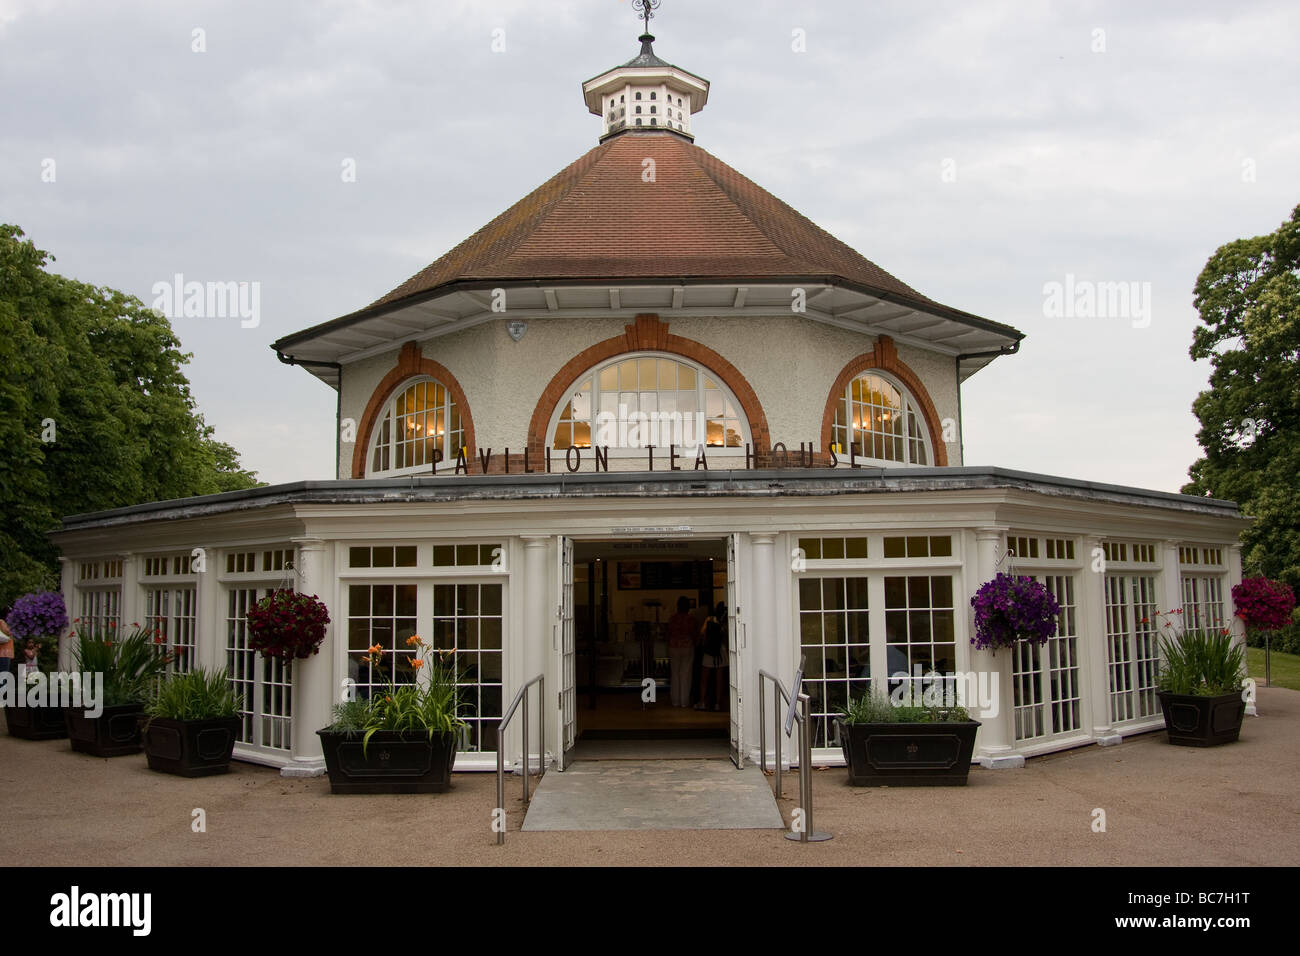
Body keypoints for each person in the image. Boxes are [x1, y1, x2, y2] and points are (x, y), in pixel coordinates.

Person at [696, 601, 727, 711]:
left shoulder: (709, 619)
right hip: (721, 652)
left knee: (704, 678)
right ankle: (717, 704)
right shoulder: (725, 621)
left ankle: (702, 702)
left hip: (709, 651)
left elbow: (702, 632)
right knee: (719, 679)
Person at [665, 596, 696, 707]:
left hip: (673, 647)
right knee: (686, 674)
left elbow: (668, 633)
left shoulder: (672, 618)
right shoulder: (691, 619)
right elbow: (694, 633)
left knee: (675, 674)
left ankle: (675, 701)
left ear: (677, 606)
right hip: (687, 647)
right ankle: (684, 701)